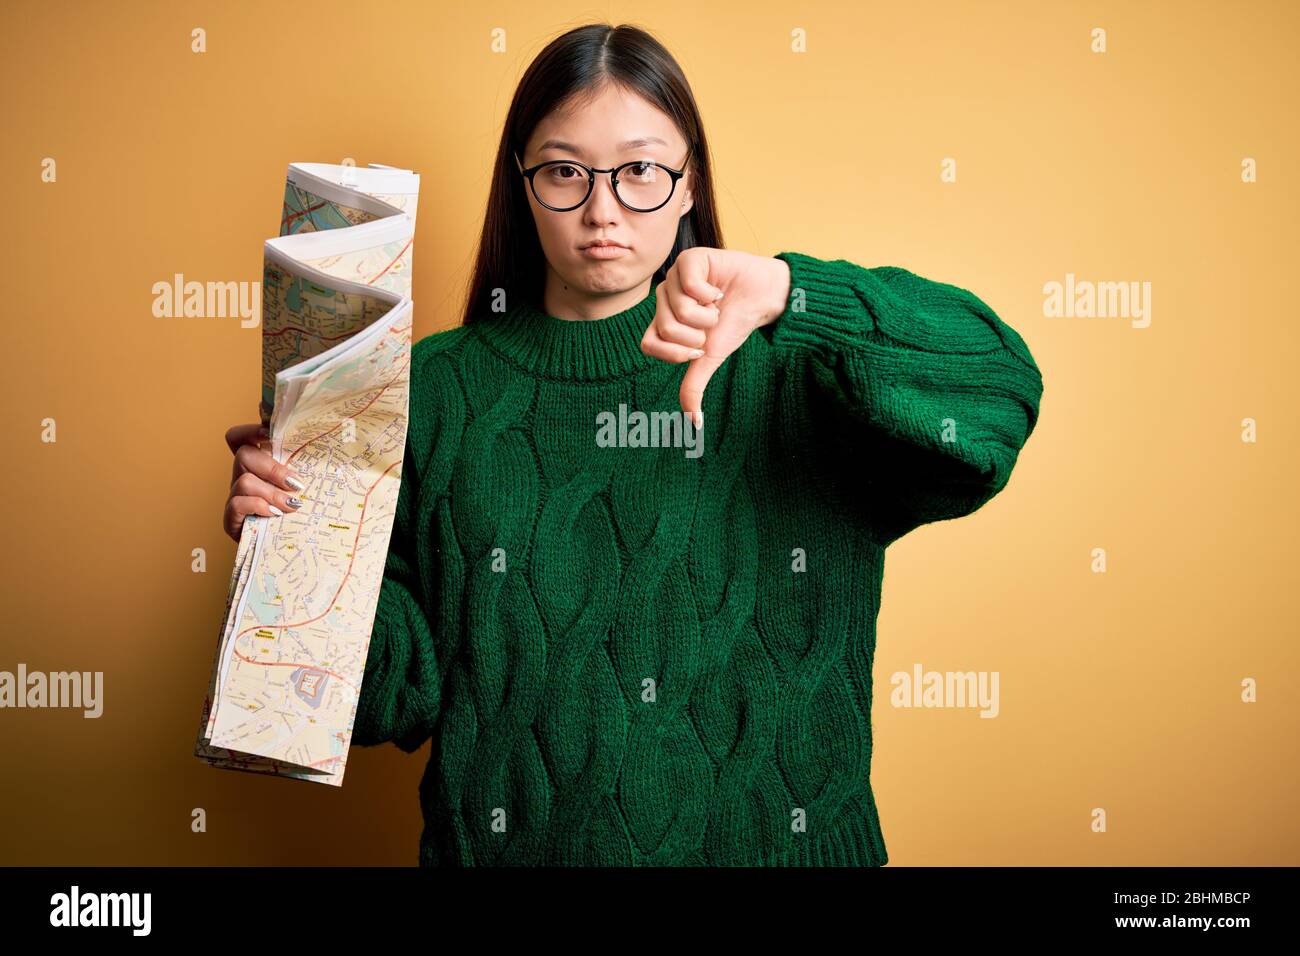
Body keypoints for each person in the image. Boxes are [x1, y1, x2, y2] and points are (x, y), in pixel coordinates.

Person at [221, 22, 1043, 866]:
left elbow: (1002, 389)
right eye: (565, 171)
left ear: (689, 186)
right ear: (522, 184)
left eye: (642, 170)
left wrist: (799, 295)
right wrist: (290, 550)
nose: (602, 208)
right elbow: (390, 697)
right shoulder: (427, 394)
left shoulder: (800, 375)